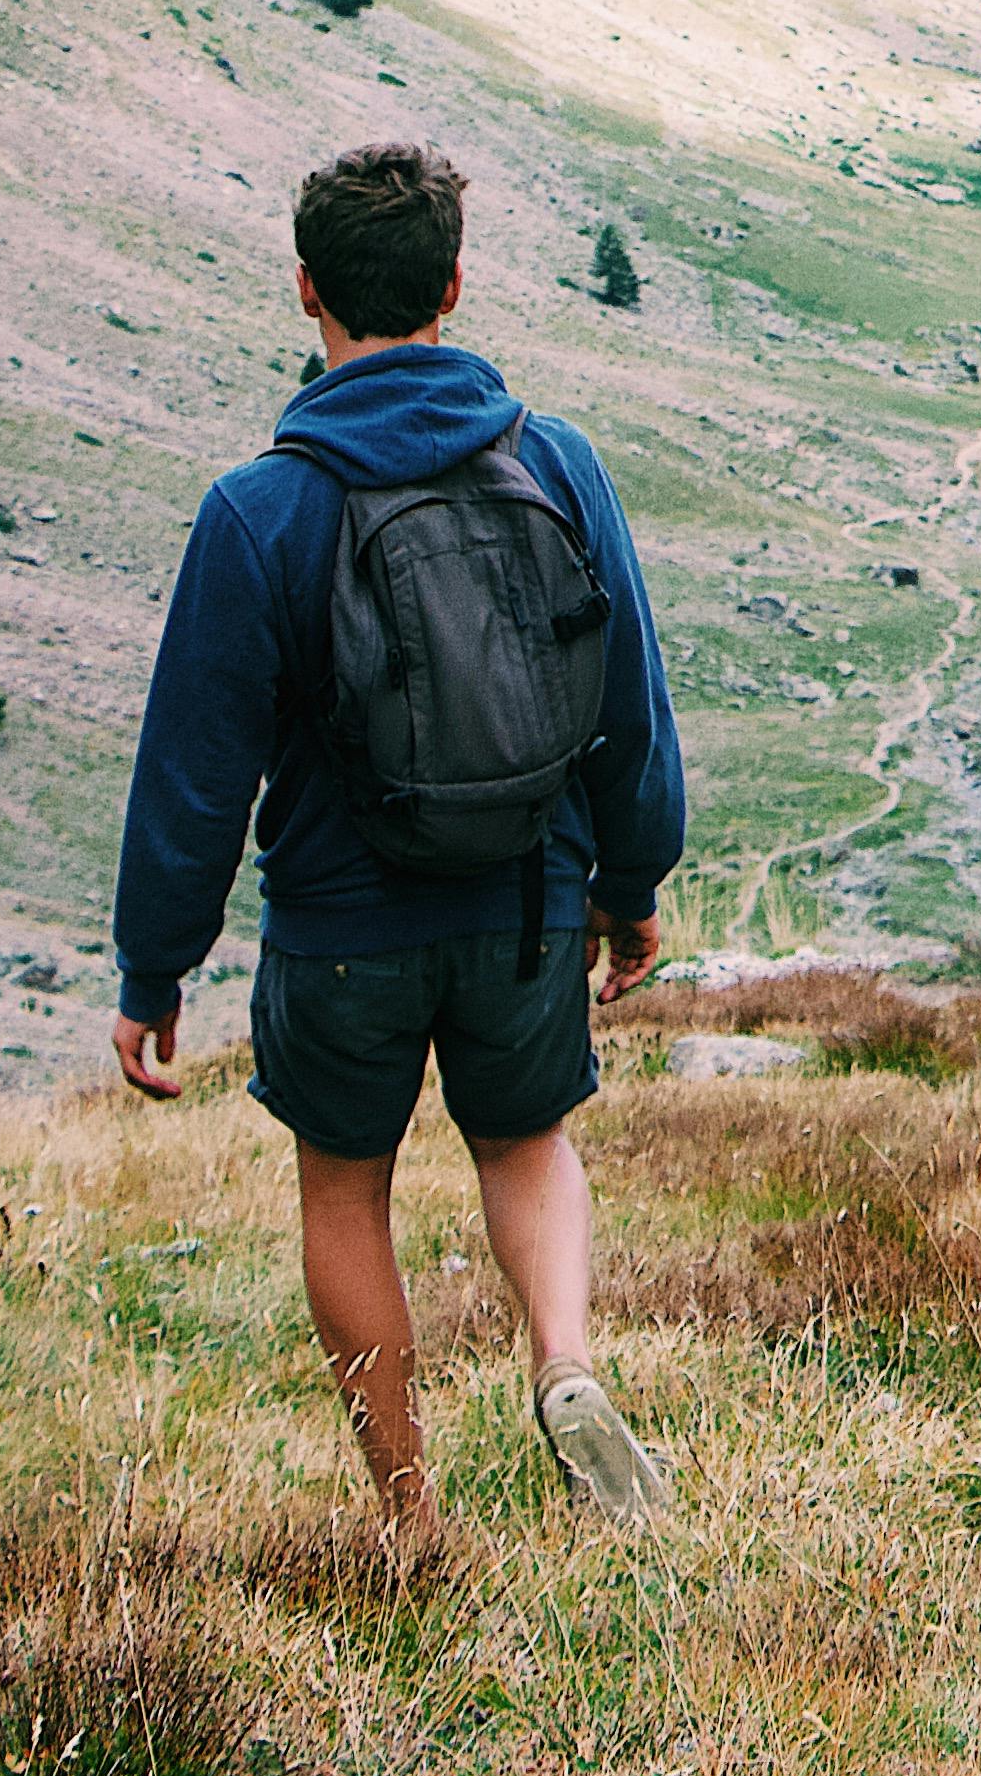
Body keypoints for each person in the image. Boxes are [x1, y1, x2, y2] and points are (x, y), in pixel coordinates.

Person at [112, 140, 687, 1529]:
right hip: (526, 903)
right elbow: (628, 702)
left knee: (346, 1192)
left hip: (340, 925)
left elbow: (196, 771)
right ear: (453, 285)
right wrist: (630, 883)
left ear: (307, 287)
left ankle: (412, 1514)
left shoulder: (260, 509)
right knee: (526, 1145)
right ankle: (564, 1361)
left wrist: (155, 967)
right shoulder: (556, 461)